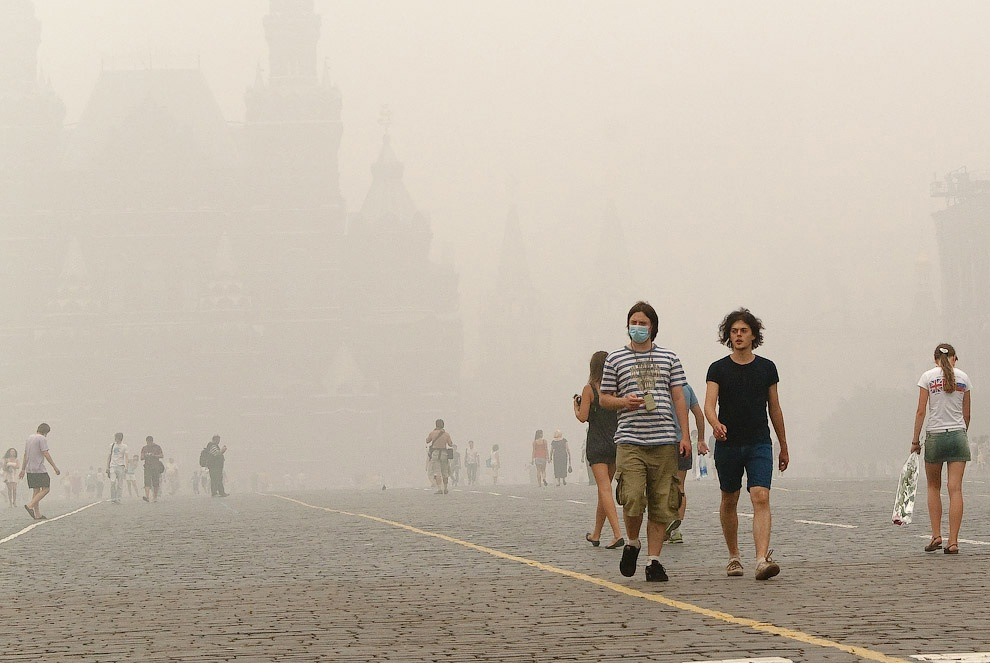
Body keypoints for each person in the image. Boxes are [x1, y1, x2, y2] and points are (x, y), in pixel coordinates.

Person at [600, 301, 691, 582]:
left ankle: (654, 561)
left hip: (664, 441)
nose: (638, 327)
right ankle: (632, 542)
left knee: (662, 502)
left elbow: (679, 396)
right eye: (633, 322)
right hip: (630, 440)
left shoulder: (669, 358)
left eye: (643, 323)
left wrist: (684, 435)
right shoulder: (615, 359)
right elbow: (604, 398)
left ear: (653, 327)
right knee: (632, 496)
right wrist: (623, 402)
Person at [704, 308, 788, 581]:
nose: (738, 336)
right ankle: (733, 556)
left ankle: (762, 559)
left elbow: (774, 408)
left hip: (759, 443)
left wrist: (783, 445)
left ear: (753, 335)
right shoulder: (718, 368)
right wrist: (715, 424)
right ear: (728, 336)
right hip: (728, 444)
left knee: (760, 496)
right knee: (729, 498)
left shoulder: (767, 368)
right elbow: (709, 404)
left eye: (743, 331)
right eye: (734, 331)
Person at [913, 343, 972, 555]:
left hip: (935, 435)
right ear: (955, 358)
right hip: (957, 434)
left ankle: (936, 535)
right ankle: (953, 541)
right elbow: (967, 414)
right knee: (955, 489)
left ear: (935, 358)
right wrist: (961, 433)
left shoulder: (927, 377)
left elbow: (921, 412)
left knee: (933, 487)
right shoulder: (963, 378)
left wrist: (915, 441)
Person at [575, 351, 623, 549]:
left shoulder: (589, 389)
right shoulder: (616, 389)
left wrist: (575, 407)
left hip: (596, 444)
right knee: (604, 491)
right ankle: (596, 534)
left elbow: (583, 417)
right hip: (614, 442)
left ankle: (618, 534)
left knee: (604, 489)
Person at [666, 384, 708, 544]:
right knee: (680, 487)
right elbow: (699, 415)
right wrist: (701, 439)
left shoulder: (661, 387)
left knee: (662, 486)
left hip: (664, 443)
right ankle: (676, 530)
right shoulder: (687, 388)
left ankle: (665, 523)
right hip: (684, 444)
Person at [19, 423, 60, 519]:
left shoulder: (29, 438)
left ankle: (37, 514)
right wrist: (54, 467)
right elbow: (45, 452)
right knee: (46, 488)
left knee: (36, 490)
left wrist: (23, 469)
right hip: (39, 468)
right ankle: (30, 505)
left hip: (30, 469)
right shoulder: (42, 438)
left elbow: (25, 454)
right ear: (46, 432)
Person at [425, 419, 453, 495]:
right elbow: (450, 444)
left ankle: (439, 488)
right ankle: (446, 488)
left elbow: (427, 441)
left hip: (435, 453)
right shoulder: (446, 434)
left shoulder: (432, 433)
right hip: (444, 453)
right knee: (445, 472)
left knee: (437, 472)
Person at [105, 432, 128, 504]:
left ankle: (118, 498)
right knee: (113, 482)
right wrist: (107, 467)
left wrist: (126, 466)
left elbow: (126, 457)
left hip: (121, 466)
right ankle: (113, 498)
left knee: (120, 483)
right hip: (113, 466)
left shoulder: (124, 446)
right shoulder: (112, 445)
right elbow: (109, 456)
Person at [140, 435, 165, 502]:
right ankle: (147, 496)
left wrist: (154, 456)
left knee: (155, 482)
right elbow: (141, 457)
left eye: (150, 442)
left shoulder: (157, 447)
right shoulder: (144, 448)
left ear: (152, 441)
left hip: (156, 467)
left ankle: (155, 497)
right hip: (147, 467)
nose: (149, 444)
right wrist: (146, 456)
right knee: (147, 482)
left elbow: (162, 455)